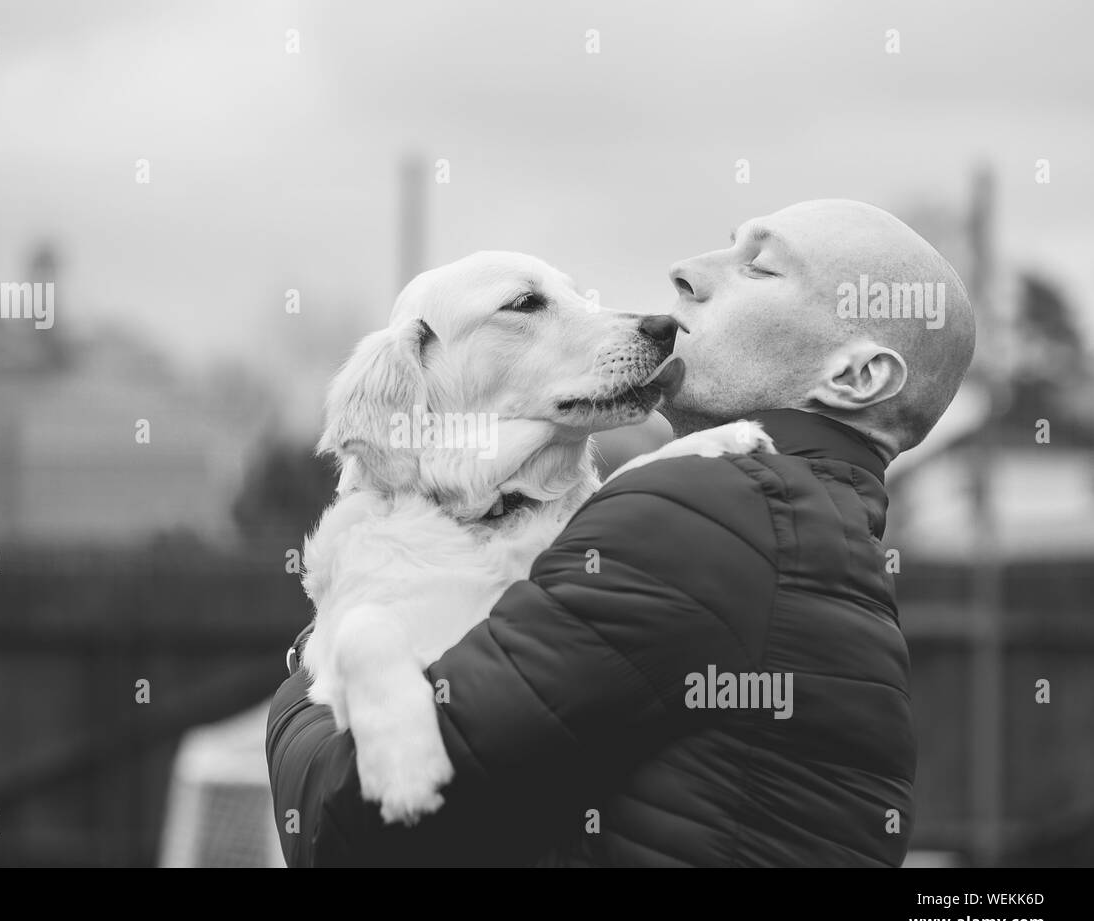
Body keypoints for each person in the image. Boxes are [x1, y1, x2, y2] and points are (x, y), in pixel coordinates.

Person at [264, 199, 976, 866]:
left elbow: (355, 833)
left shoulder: (708, 515)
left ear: (857, 376)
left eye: (759, 267)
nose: (684, 274)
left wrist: (309, 670)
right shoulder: (797, 515)